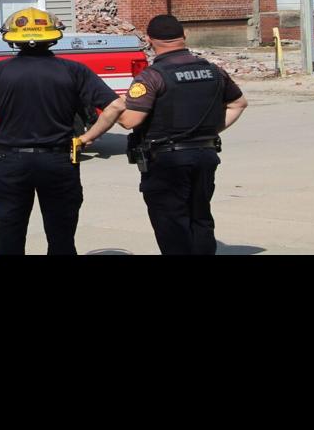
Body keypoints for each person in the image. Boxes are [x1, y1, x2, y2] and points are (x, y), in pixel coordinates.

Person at [79, 14, 248, 255]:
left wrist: (113, 104)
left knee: (171, 223)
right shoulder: (213, 71)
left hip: (167, 160)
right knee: (200, 216)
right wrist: (208, 131)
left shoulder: (152, 77)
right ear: (184, 36)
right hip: (205, 154)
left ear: (149, 40)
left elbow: (130, 121)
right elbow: (239, 103)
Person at [0, 7, 116, 255]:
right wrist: (87, 137)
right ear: (53, 36)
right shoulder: (74, 70)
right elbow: (115, 106)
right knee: (61, 235)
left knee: (10, 233)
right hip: (58, 159)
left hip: (10, 160)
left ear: (12, 38)